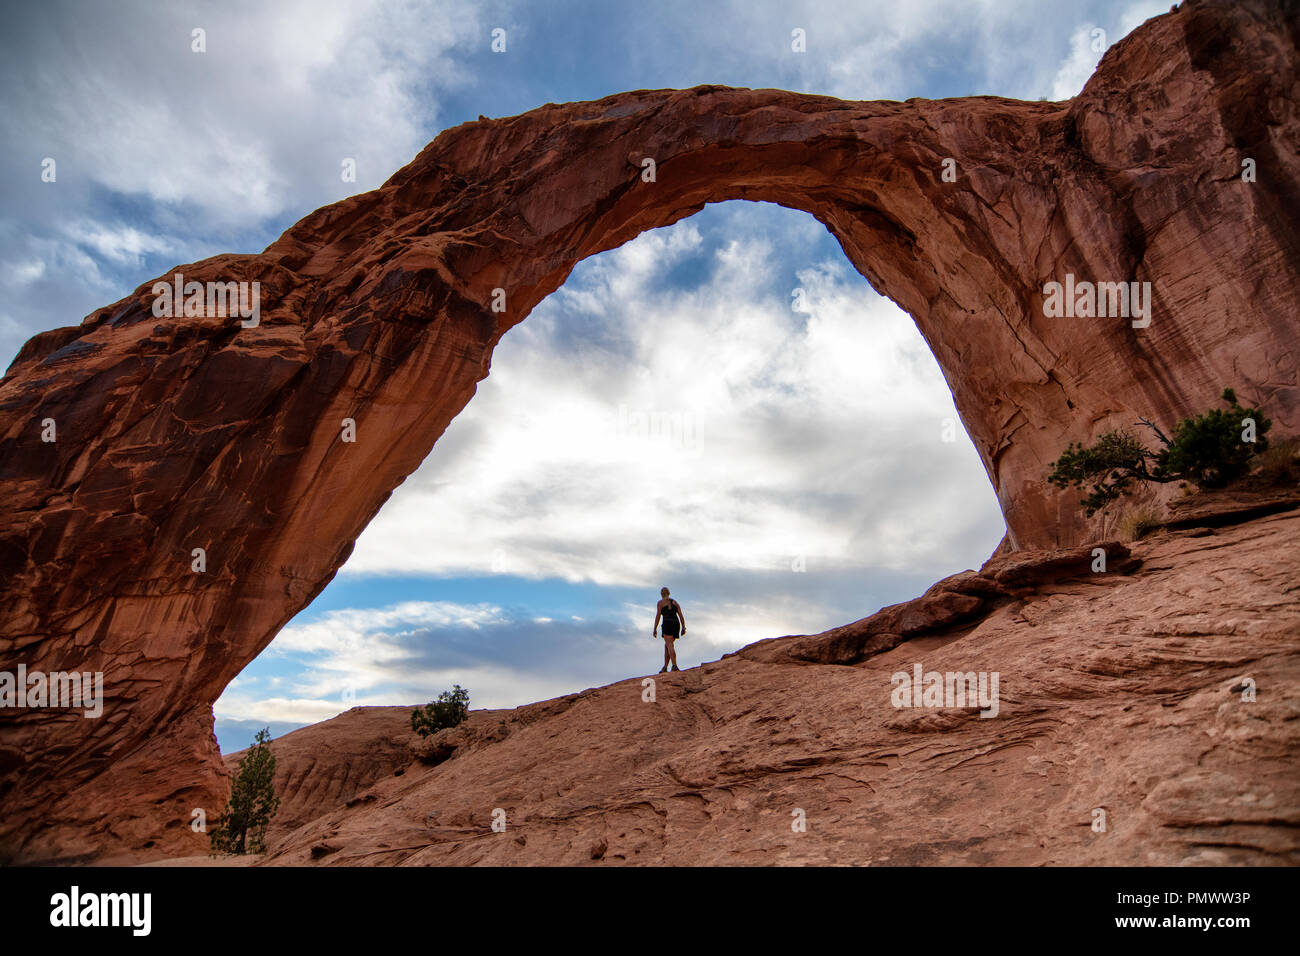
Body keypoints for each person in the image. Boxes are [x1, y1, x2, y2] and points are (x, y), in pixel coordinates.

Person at [652, 587, 686, 673]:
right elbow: (680, 615)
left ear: (661, 594)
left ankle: (674, 665)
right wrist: (683, 627)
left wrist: (655, 628)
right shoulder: (675, 602)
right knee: (667, 645)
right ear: (669, 593)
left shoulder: (660, 603)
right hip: (676, 624)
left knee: (669, 645)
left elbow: (658, 616)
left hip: (667, 624)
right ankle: (665, 667)